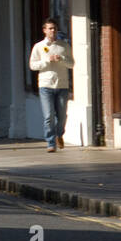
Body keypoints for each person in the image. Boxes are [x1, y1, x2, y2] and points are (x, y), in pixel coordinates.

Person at [29, 18, 74, 153]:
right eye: (50, 28)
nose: (52, 31)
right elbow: (32, 65)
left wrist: (61, 59)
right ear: (44, 30)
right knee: (48, 116)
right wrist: (47, 60)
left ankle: (59, 134)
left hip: (62, 85)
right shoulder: (38, 46)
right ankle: (50, 142)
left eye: (54, 28)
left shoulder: (64, 46)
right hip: (45, 85)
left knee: (61, 116)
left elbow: (71, 64)